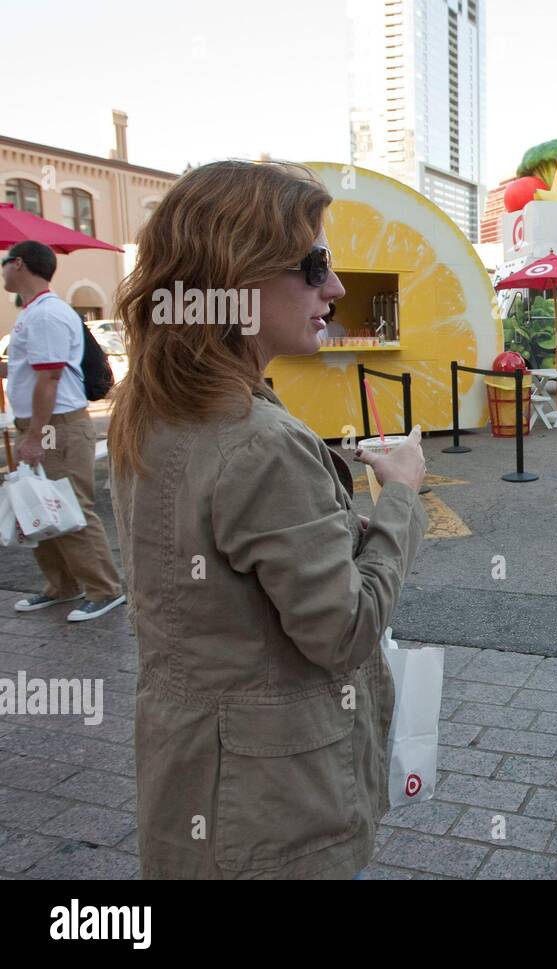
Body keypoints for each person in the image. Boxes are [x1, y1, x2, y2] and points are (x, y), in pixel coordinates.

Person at [109, 160, 429, 879]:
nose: (336, 288)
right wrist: (402, 496)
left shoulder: (148, 409)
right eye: (314, 264)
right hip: (275, 810)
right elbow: (343, 630)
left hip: (188, 779)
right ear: (236, 278)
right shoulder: (258, 441)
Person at [1, 240, 126, 621]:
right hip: (44, 423)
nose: (2, 270)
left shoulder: (45, 315)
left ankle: (105, 589)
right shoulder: (35, 312)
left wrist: (35, 435)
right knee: (37, 505)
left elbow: (50, 378)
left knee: (69, 505)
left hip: (57, 424)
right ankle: (62, 585)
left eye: (5, 263)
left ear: (19, 263)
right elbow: (35, 370)